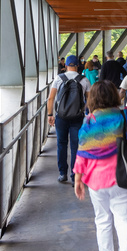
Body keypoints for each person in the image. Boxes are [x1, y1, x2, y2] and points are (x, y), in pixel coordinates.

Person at [74, 80, 127, 251]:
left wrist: (78, 180)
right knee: (124, 218)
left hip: (95, 179)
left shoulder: (89, 121)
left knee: (103, 220)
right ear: (115, 96)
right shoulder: (125, 116)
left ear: (93, 98)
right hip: (122, 176)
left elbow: (81, 152)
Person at [46, 55, 92, 184]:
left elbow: (51, 98)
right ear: (78, 65)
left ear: (65, 65)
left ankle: (62, 173)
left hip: (61, 117)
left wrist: (50, 115)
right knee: (75, 146)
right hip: (77, 117)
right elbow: (90, 99)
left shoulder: (59, 79)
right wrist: (86, 111)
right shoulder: (84, 80)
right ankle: (74, 175)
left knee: (61, 144)